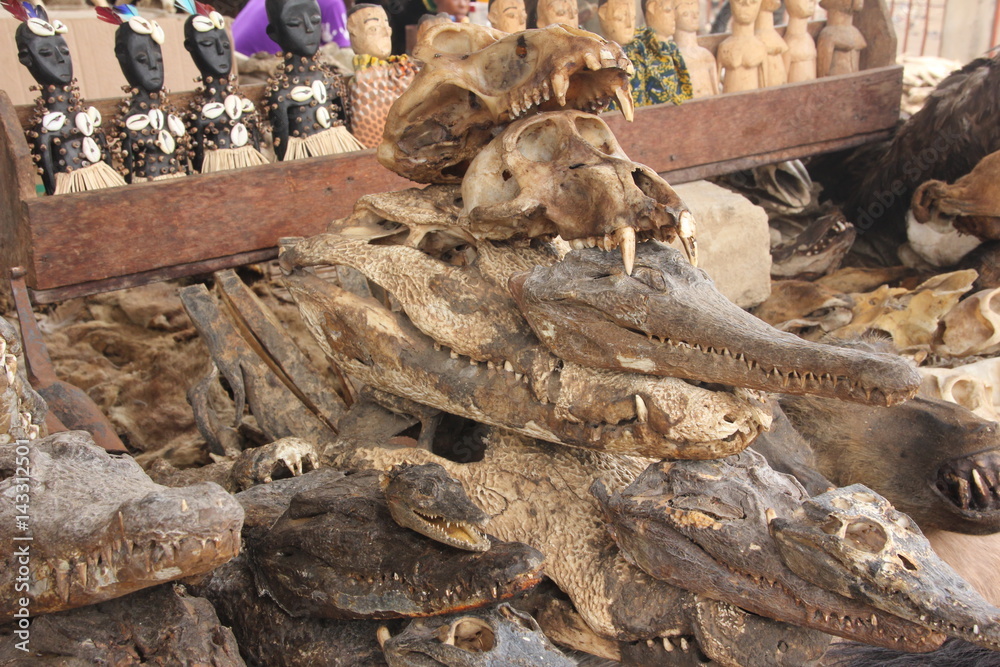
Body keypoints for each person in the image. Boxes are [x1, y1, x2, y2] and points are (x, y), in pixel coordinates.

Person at [8, 2, 124, 194]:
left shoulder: (86, 118)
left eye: (65, 52)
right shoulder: (45, 130)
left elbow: (105, 154)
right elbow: (49, 179)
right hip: (70, 193)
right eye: (46, 53)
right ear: (26, 58)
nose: (61, 60)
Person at [264, 0, 365, 159]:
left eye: (316, 20)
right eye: (294, 23)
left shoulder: (330, 80)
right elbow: (281, 150)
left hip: (342, 153)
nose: (309, 29)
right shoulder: (282, 93)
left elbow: (344, 123)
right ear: (274, 33)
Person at [180, 2, 268, 172]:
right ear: (190, 47)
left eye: (226, 45)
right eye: (207, 45)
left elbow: (258, 148)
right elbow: (197, 167)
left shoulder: (245, 106)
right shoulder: (197, 115)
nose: (221, 51)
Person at [111, 8, 190, 182]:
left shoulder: (171, 116)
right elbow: (127, 173)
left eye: (159, 59)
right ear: (122, 57)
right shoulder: (129, 123)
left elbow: (185, 162)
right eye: (141, 59)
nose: (154, 66)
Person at [346, 4, 420, 148]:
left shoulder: (404, 69)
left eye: (387, 26)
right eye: (373, 28)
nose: (387, 32)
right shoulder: (363, 81)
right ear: (353, 33)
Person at [606, 0, 693, 108]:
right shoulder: (606, 61)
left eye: (633, 17)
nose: (629, 24)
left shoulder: (651, 52)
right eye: (619, 18)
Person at [231, 0, 350, 55]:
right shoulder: (331, 3)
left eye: (315, 21)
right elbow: (343, 54)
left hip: (234, 61)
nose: (309, 28)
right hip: (258, 70)